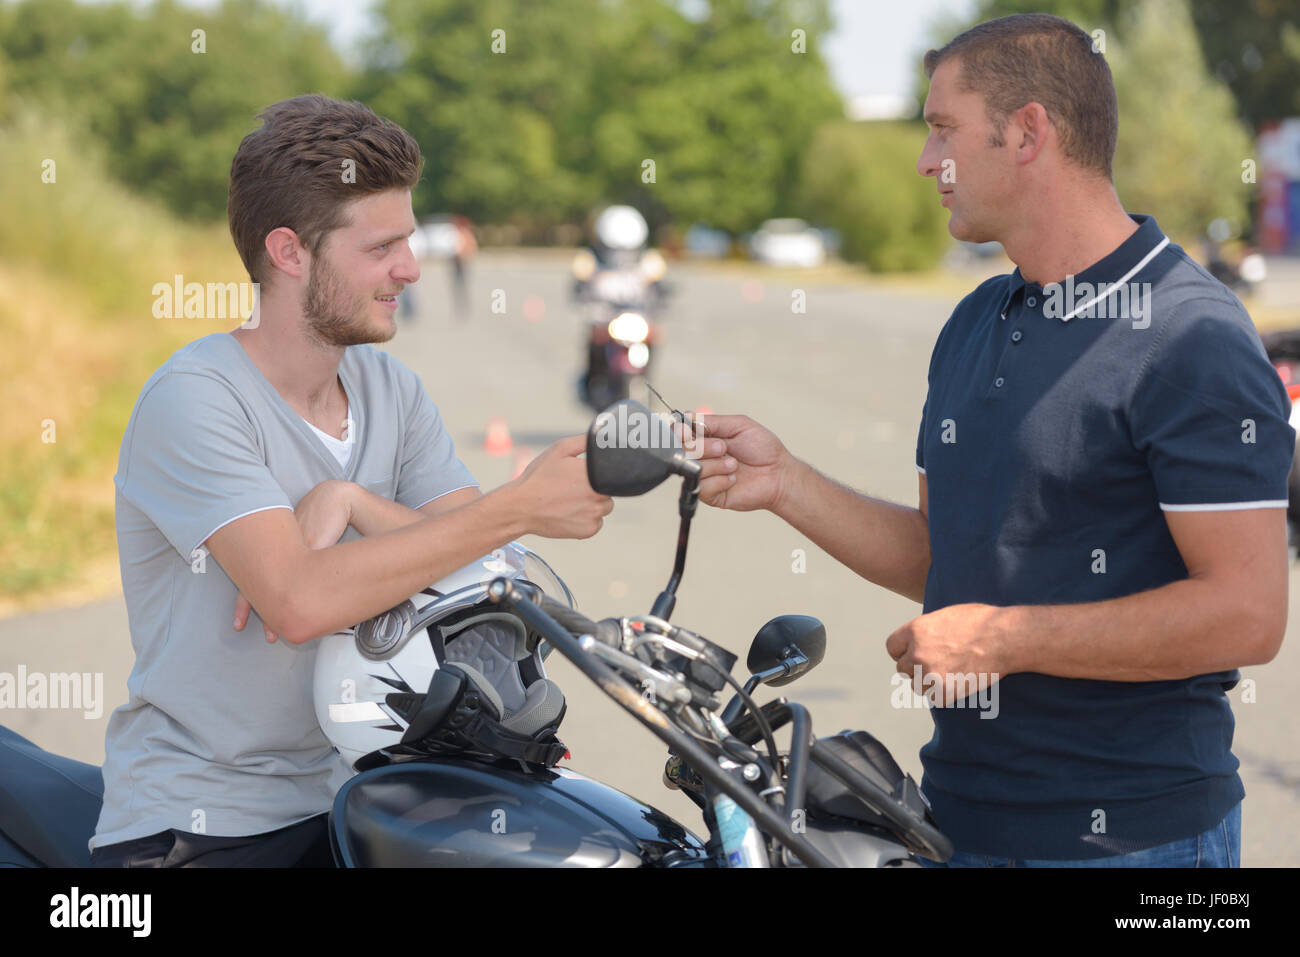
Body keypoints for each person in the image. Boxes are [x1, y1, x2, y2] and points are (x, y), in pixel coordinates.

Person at [690, 14, 1292, 867]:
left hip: (1133, 841)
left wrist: (1003, 639)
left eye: (944, 129)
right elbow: (952, 555)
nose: (925, 159)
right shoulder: (976, 319)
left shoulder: (1191, 337)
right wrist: (784, 480)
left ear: (1028, 132)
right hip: (958, 822)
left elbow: (1248, 612)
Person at [89, 94, 613, 867]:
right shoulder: (195, 398)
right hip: (202, 822)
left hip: (360, 796)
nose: (411, 267)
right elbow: (298, 600)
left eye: (408, 240)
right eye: (381, 248)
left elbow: (483, 568)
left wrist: (353, 501)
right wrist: (516, 505)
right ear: (290, 253)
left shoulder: (389, 388)